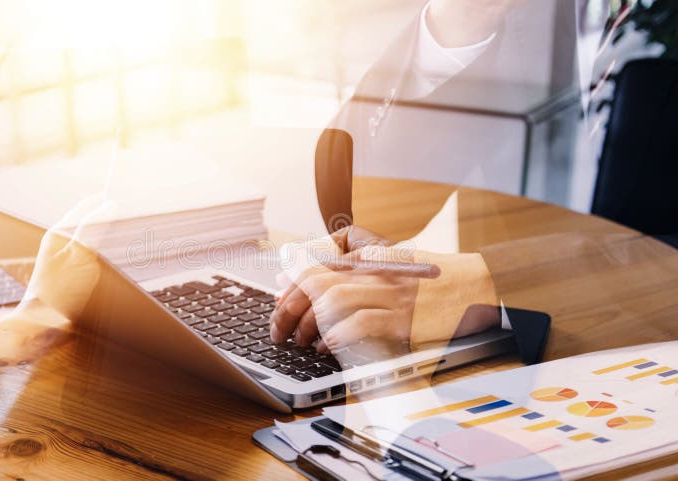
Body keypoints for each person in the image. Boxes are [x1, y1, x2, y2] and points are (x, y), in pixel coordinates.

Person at [269, 0, 663, 355]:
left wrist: (491, 284)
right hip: (495, 363)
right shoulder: (528, 16)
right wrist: (456, 27)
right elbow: (366, 213)